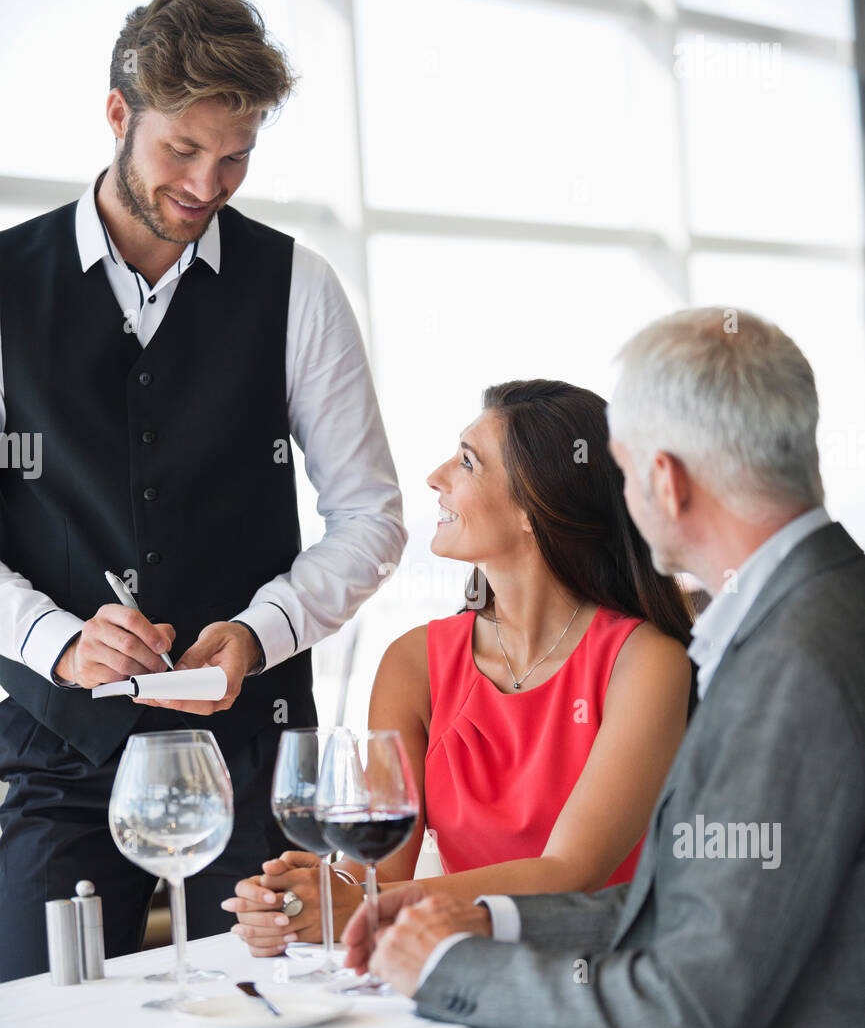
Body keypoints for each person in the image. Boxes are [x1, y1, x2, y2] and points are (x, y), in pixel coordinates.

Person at [343, 307, 865, 1028]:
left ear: (660, 479)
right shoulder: (818, 613)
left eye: (618, 470)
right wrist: (485, 914)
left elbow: (691, 1001)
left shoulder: (789, 660)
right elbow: (699, 908)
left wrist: (452, 965)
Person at [0, 0, 406, 981]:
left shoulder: (297, 287)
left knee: (273, 1013)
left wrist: (258, 631)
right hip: (60, 758)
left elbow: (371, 516)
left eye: (235, 158)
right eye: (182, 150)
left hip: (256, 753)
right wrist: (58, 645)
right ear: (116, 115)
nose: (206, 184)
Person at [224, 380, 695, 954]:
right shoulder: (414, 663)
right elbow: (378, 872)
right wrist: (310, 896)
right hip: (456, 969)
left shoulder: (645, 662)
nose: (435, 478)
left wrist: (369, 903)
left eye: (467, 463)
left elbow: (572, 872)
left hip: (607, 977)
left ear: (535, 507)